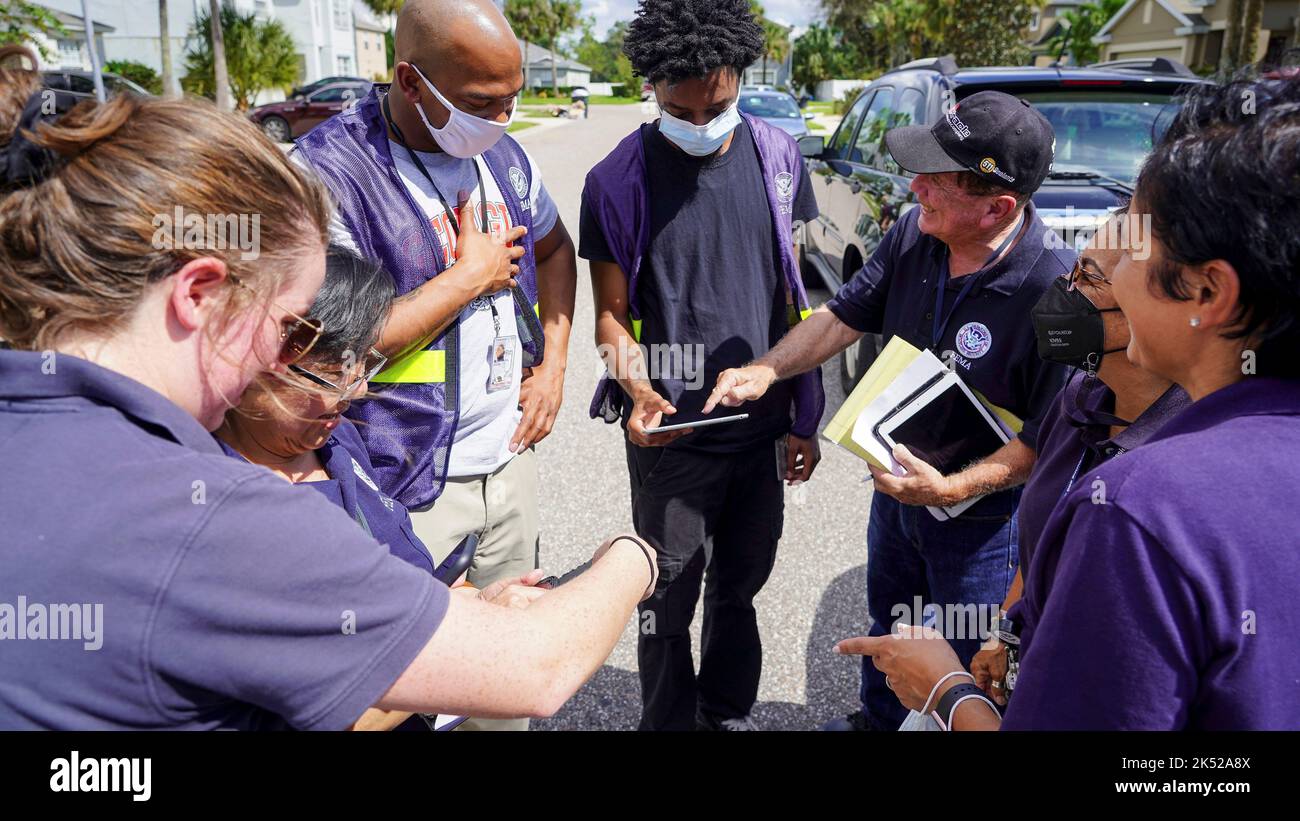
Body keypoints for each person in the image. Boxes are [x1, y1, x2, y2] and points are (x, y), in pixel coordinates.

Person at [0, 74, 655, 730]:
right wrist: (635, 554)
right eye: (287, 323)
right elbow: (533, 668)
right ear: (198, 291)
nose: (289, 361)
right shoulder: (202, 514)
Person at [838, 73, 1300, 730]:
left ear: (1209, 292)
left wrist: (946, 688)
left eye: (1137, 236)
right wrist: (1014, 630)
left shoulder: (1143, 512)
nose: (1096, 256)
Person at [705, 90, 1072, 731]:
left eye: (936, 178)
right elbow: (844, 315)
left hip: (984, 526)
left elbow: (1048, 442)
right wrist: (765, 370)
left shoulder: (1060, 292)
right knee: (891, 629)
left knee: (962, 664)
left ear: (998, 207)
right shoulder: (913, 233)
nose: (915, 186)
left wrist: (953, 485)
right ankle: (879, 722)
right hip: (898, 496)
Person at [293, 0, 579, 731]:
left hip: (507, 468)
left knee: (506, 685)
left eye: (513, 98)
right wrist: (467, 278)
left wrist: (554, 365)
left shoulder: (502, 155)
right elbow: (323, 349)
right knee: (404, 694)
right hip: (403, 477)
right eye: (483, 102)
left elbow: (555, 250)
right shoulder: (326, 174)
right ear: (411, 82)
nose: (503, 117)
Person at [581, 0, 826, 731]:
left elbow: (795, 298)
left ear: (739, 80)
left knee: (738, 588)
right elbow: (608, 315)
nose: (698, 121)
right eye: (678, 107)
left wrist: (804, 415)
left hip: (761, 429)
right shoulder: (615, 180)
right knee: (664, 600)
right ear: (652, 87)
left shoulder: (779, 158)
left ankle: (722, 711)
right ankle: (665, 722)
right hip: (673, 440)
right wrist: (636, 385)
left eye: (716, 105)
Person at [965, 211, 1190, 703]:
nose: (1065, 289)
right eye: (1075, 269)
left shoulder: (1181, 460)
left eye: (1089, 278)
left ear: (1152, 313)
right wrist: (1005, 631)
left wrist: (947, 694)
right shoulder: (1078, 398)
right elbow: (1041, 537)